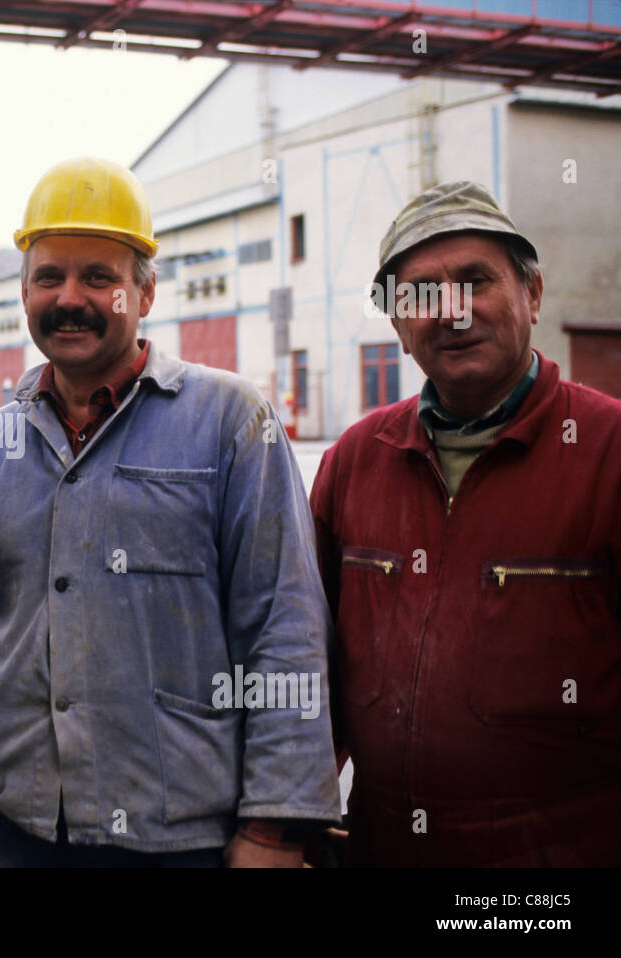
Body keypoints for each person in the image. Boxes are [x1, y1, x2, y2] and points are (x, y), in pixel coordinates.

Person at [0, 156, 341, 867]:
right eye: (49, 276)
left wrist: (275, 825)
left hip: (184, 836)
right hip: (21, 827)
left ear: (144, 292)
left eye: (99, 278)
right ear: (23, 292)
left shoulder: (231, 423)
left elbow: (285, 627)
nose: (70, 298)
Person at [310, 180, 621, 866]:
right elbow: (309, 665)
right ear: (397, 323)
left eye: (476, 281)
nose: (450, 312)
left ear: (532, 294)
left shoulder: (607, 452)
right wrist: (280, 822)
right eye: (419, 294)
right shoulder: (356, 462)